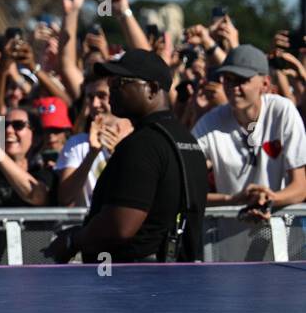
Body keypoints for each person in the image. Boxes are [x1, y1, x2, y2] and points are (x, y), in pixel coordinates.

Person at [47, 50, 208, 264]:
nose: (112, 89)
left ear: (151, 89)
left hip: (134, 284)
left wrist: (72, 240)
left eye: (120, 82)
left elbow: (120, 226)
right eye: (111, 82)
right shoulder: (186, 140)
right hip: (174, 280)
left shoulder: (143, 144)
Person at [191, 45, 306, 219]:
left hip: (279, 231)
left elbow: (300, 187)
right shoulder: (210, 122)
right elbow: (187, 188)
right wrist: (233, 199)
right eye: (228, 79)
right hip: (228, 236)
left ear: (265, 84)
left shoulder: (282, 111)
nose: (233, 87)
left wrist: (268, 199)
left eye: (241, 80)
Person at [56, 74, 133, 208]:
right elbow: (65, 198)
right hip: (91, 226)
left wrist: (118, 155)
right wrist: (91, 154)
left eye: (102, 96)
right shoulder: (77, 143)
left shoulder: (139, 137)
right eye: (90, 97)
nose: (94, 104)